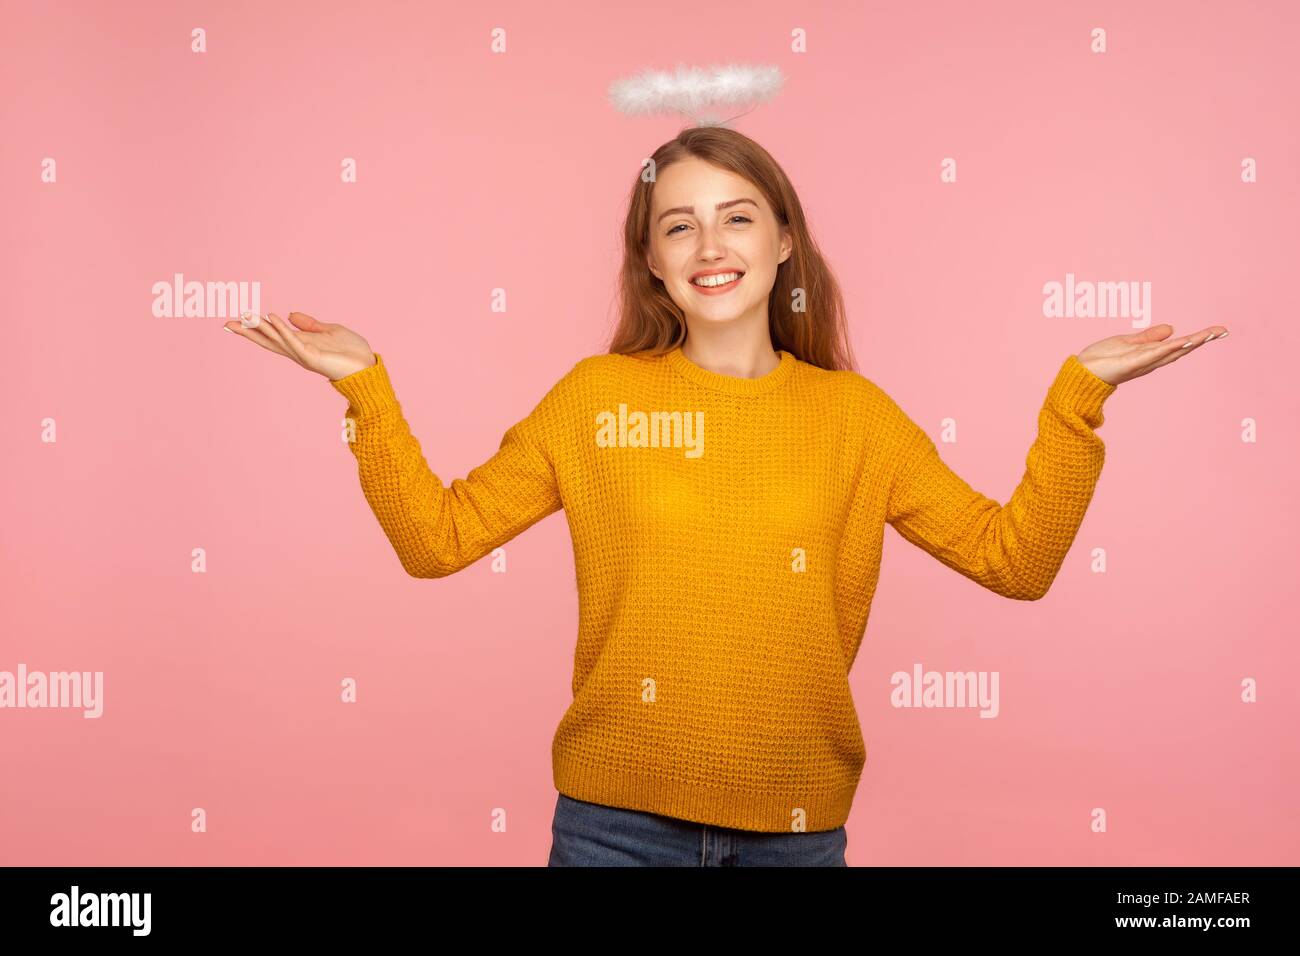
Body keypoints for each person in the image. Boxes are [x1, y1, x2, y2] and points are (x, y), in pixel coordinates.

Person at [222, 126, 1227, 866]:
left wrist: (1077, 397)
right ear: (654, 265)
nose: (710, 243)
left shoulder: (855, 418)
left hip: (797, 833)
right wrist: (363, 384)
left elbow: (1016, 560)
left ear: (784, 241)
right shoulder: (596, 400)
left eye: (737, 215)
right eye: (679, 224)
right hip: (612, 827)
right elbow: (437, 538)